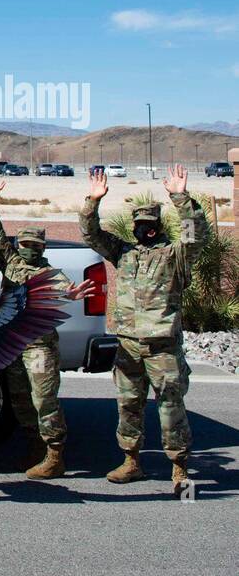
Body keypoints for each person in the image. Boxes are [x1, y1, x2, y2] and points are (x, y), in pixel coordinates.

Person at [81, 165, 205, 495]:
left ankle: (179, 468)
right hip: (128, 345)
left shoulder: (174, 255)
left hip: (162, 346)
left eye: (147, 226)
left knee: (170, 407)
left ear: (157, 228)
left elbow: (196, 236)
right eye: (138, 225)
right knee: (128, 405)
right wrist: (93, 201)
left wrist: (180, 197)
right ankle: (131, 461)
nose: (142, 230)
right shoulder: (124, 254)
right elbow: (91, 235)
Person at [0, 181, 96, 479]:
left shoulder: (50, 274)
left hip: (39, 348)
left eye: (35, 245)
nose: (29, 249)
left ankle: (55, 454)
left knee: (44, 400)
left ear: (43, 248)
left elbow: (65, 289)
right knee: (20, 399)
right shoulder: (12, 264)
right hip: (13, 347)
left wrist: (71, 294)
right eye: (25, 244)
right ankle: (35, 449)